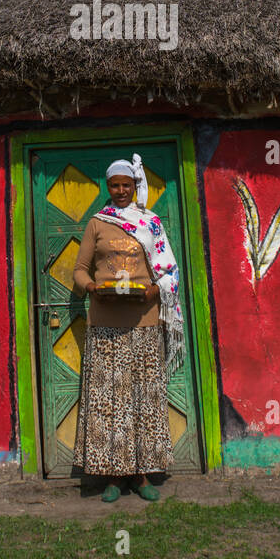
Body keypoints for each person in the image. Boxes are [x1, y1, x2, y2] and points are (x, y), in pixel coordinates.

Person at [71, 153, 184, 503]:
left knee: (144, 400)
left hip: (144, 322)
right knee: (109, 404)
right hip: (106, 324)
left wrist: (153, 290)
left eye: (127, 185)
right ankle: (113, 478)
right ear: (107, 187)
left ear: (135, 186)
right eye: (115, 185)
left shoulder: (150, 223)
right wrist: (92, 288)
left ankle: (142, 475)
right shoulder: (97, 223)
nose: (121, 191)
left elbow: (168, 271)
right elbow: (79, 269)